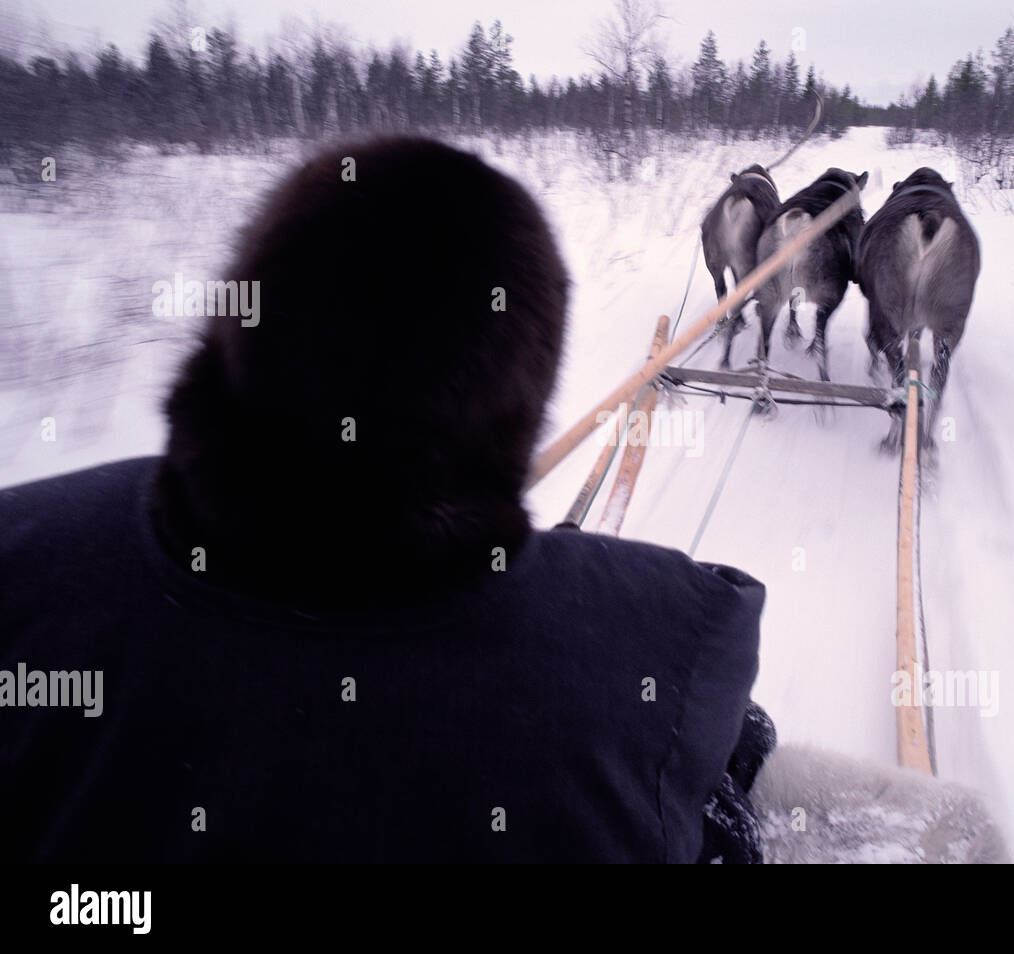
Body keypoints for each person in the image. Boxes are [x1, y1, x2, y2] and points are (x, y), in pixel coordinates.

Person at [0, 137, 773, 863]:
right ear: (515, 401)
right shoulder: (666, 634)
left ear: (236, 331)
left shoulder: (28, 561)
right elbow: (719, 739)